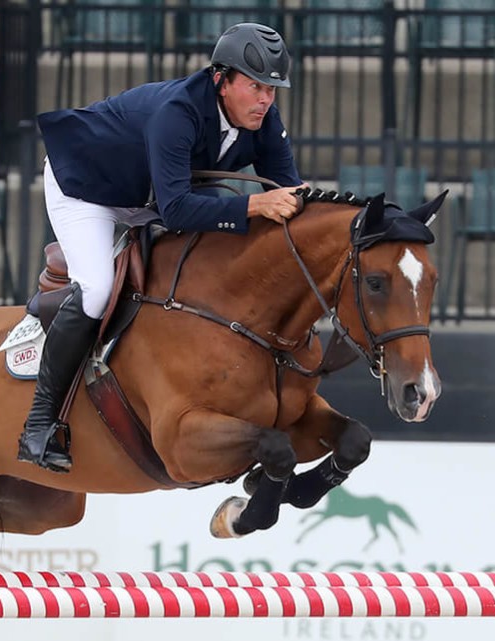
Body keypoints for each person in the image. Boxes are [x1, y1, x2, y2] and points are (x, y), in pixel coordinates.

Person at [17, 22, 309, 473]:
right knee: (95, 288)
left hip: (148, 196)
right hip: (88, 189)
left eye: (272, 88)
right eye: (255, 86)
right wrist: (254, 204)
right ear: (221, 79)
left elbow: (289, 192)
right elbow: (176, 212)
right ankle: (38, 427)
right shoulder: (178, 112)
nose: (266, 99)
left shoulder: (263, 119)